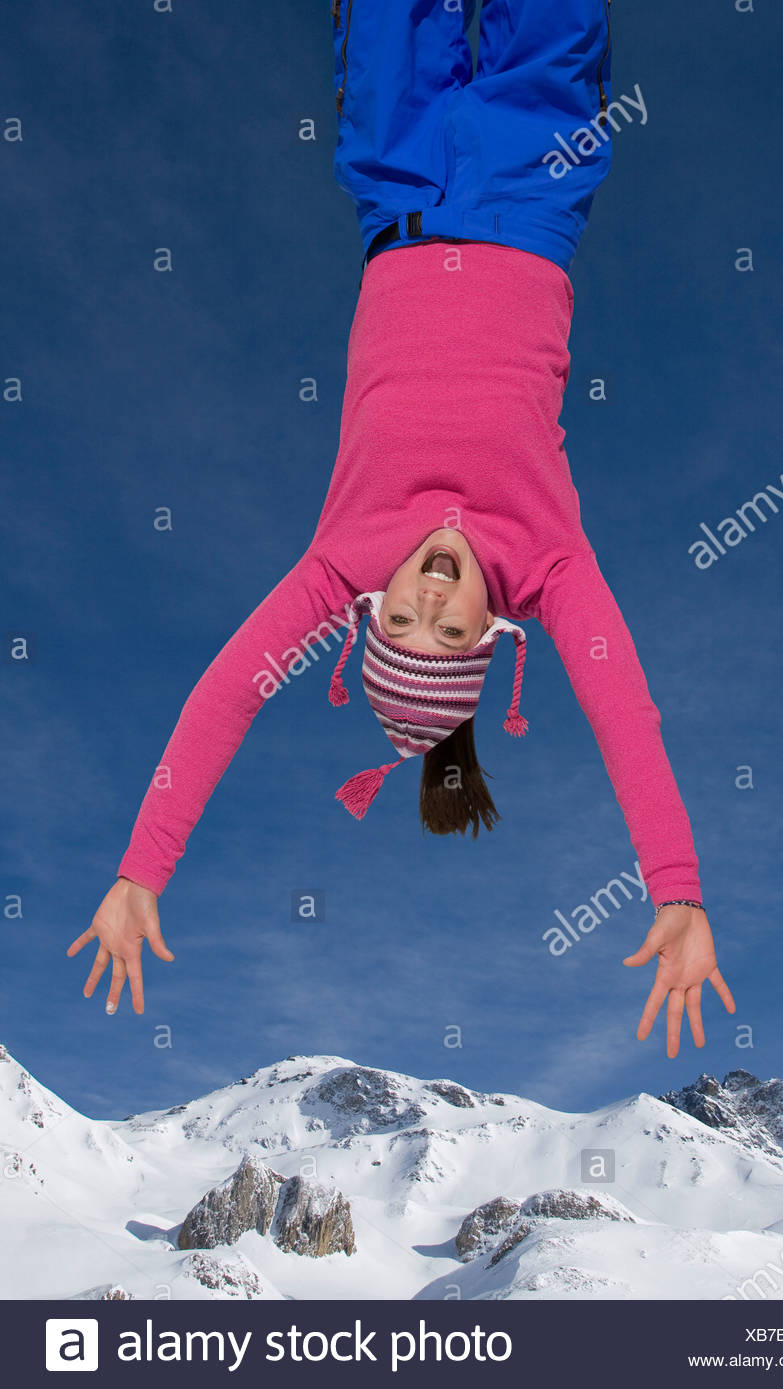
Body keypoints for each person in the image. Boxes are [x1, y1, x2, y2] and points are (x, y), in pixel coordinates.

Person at [68, 0, 735, 1058]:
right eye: (450, 635)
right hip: (530, 183)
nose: (427, 606)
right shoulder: (549, 562)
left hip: (398, 182)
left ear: (370, 611)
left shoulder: (344, 556)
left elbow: (226, 695)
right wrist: (677, 891)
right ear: (493, 635)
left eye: (400, 628)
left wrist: (138, 871)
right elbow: (625, 717)